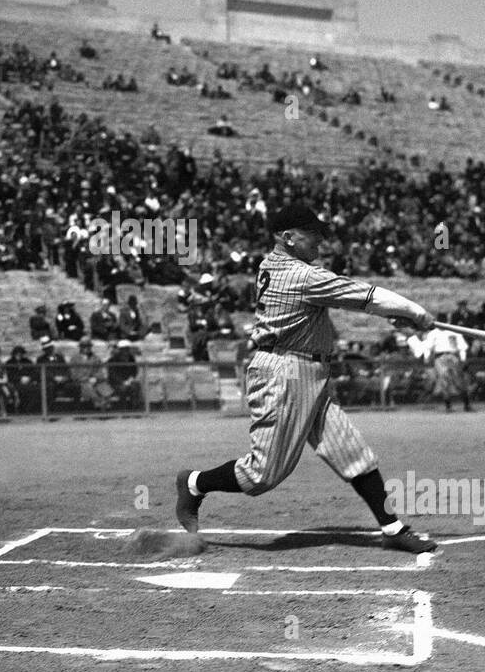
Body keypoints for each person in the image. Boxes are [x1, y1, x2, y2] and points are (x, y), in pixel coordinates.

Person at [173, 204, 438, 554]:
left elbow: (325, 311)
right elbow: (366, 296)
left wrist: (397, 316)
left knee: (354, 453)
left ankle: (393, 528)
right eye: (311, 235)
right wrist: (415, 312)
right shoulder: (301, 275)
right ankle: (193, 483)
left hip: (310, 372)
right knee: (261, 475)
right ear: (288, 238)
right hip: (284, 374)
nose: (320, 241)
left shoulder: (273, 265)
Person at [409, 316, 473, 412]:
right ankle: (448, 406)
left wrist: (463, 359)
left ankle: (467, 405)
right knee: (444, 379)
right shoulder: (433, 333)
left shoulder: (454, 331)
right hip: (440, 357)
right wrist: (427, 358)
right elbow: (428, 347)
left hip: (453, 356)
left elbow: (462, 347)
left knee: (459, 380)